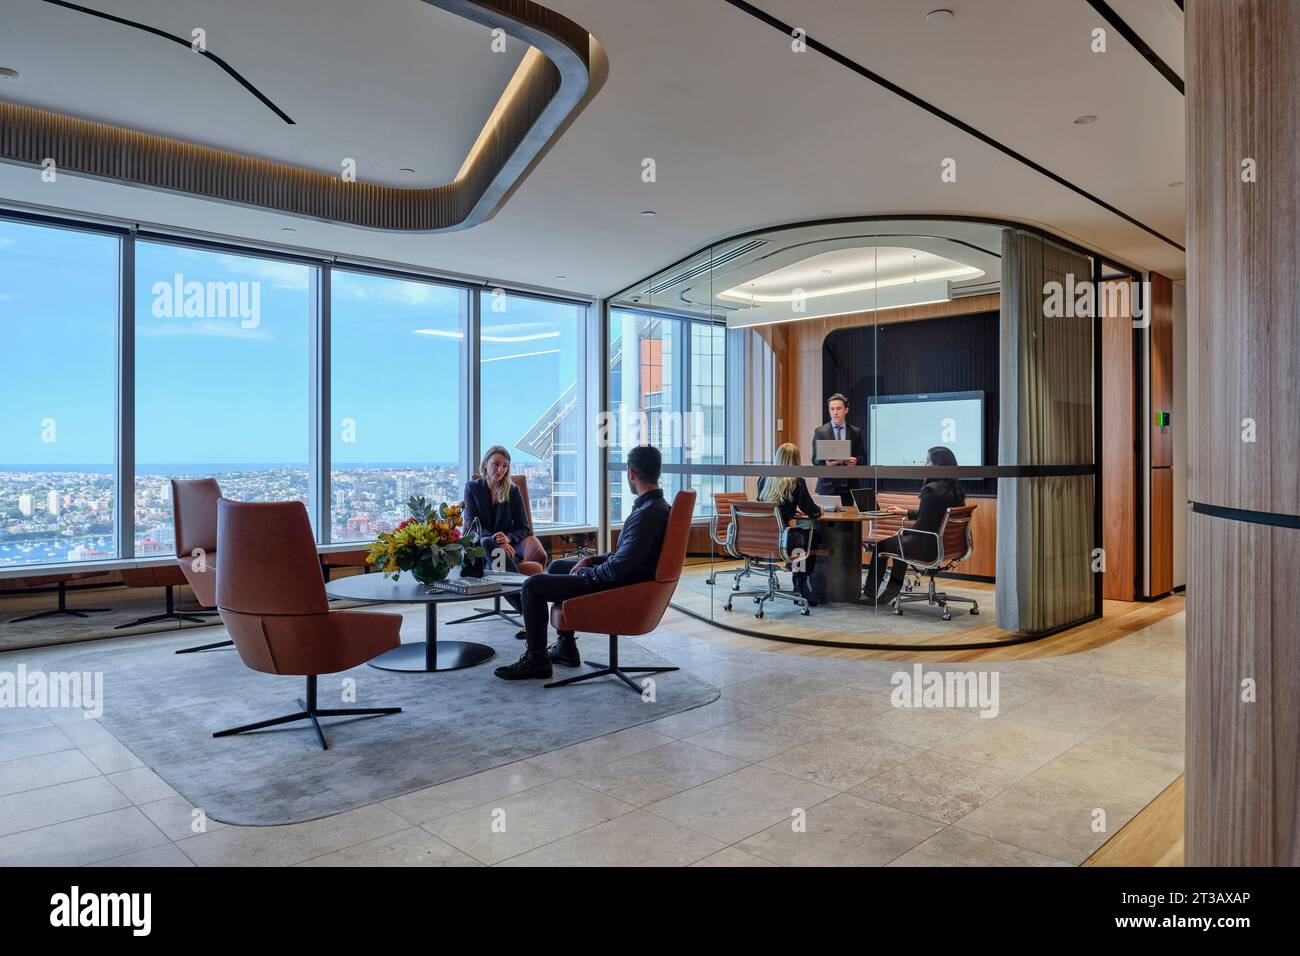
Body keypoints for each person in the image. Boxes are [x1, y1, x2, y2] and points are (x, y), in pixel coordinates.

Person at [495, 444, 671, 681]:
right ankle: (566, 648)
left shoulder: (646, 514)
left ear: (631, 474)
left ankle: (536, 660)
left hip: (620, 586)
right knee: (557, 567)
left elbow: (620, 567)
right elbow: (626, 555)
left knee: (533, 586)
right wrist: (591, 559)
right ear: (657, 472)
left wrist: (585, 574)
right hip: (625, 577)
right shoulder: (654, 507)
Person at [863, 445, 966, 606]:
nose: (924, 465)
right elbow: (935, 514)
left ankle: (870, 595)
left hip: (926, 545)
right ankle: (892, 588)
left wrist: (903, 532)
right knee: (899, 543)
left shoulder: (930, 490)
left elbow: (922, 528)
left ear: (937, 466)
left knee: (882, 546)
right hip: (945, 545)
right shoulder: (955, 488)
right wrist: (905, 512)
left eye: (927, 461)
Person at [462, 445, 536, 619]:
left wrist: (508, 538)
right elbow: (471, 524)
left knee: (493, 556)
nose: (500, 469)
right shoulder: (472, 488)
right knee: (488, 543)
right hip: (480, 549)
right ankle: (529, 614)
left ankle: (527, 615)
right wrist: (497, 540)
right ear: (486, 463)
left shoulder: (513, 490)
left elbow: (524, 527)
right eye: (496, 464)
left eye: (505, 466)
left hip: (508, 550)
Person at [756, 443, 823, 605]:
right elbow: (812, 511)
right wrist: (819, 509)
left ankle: (797, 578)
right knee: (810, 538)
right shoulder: (797, 480)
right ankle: (799, 583)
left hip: (762, 538)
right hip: (784, 539)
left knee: (799, 537)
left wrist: (791, 512)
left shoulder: (763, 479)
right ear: (795, 461)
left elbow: (768, 507)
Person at [811, 393, 865, 504]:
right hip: (827, 486)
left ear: (846, 410)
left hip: (849, 486)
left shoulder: (855, 432)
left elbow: (862, 457)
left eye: (839, 409)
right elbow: (815, 460)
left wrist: (856, 461)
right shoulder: (820, 432)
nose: (835, 413)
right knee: (827, 520)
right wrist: (826, 463)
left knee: (848, 520)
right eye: (832, 409)